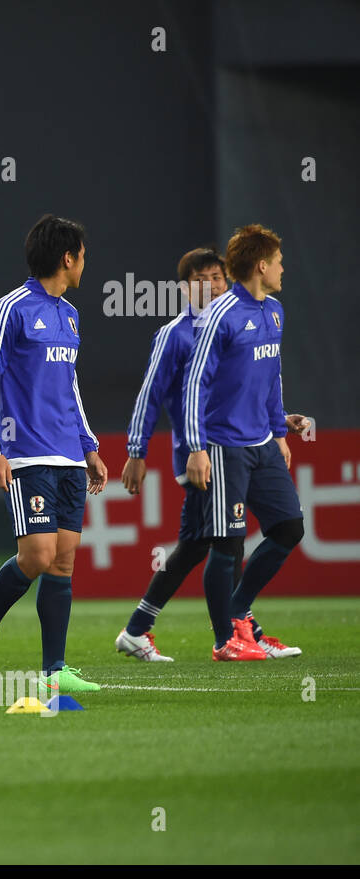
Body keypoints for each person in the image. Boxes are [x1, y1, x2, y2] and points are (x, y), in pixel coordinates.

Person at [0, 215, 108, 694]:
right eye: (83, 255)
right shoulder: (11, 310)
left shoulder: (70, 314)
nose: (85, 263)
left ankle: (53, 670)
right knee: (38, 554)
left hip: (68, 452)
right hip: (25, 453)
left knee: (63, 562)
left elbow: (69, 386)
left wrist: (88, 445)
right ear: (68, 258)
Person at [181, 224, 307, 661]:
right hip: (223, 445)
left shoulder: (274, 311)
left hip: (262, 444)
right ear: (261, 266)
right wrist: (196, 447)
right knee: (227, 542)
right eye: (278, 261)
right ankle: (227, 640)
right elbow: (194, 384)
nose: (282, 269)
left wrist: (278, 431)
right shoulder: (221, 314)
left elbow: (272, 376)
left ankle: (239, 613)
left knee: (289, 528)